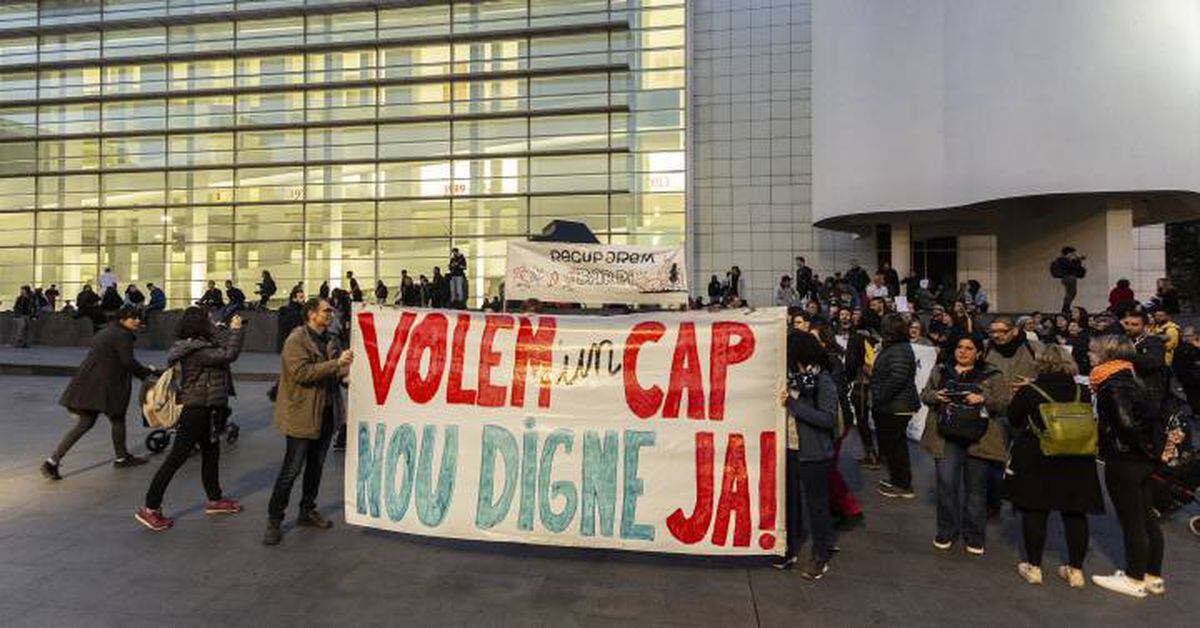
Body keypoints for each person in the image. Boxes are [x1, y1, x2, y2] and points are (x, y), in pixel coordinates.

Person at [135, 308, 245, 531]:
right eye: (209, 320)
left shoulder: (201, 344)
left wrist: (225, 330)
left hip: (208, 408)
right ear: (200, 324)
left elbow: (221, 347)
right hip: (196, 409)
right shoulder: (196, 350)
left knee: (211, 453)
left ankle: (215, 499)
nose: (213, 322)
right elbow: (228, 355)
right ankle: (150, 507)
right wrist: (236, 331)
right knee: (176, 458)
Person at [1003, 345, 1104, 587]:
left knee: (1035, 511)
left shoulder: (1030, 391)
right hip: (1078, 457)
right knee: (1075, 513)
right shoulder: (1082, 390)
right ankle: (1076, 570)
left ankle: (1034, 567)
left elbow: (1013, 418)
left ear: (1041, 363)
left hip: (1038, 456)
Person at [264, 298, 354, 546]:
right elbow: (302, 373)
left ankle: (307, 510)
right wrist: (336, 364)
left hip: (325, 413)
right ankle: (274, 519)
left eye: (331, 311)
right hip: (302, 414)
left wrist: (345, 374)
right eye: (326, 311)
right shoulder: (296, 340)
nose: (330, 314)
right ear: (311, 314)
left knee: (316, 466)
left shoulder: (329, 339)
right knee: (292, 468)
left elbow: (335, 373)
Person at [1087, 335, 1165, 598]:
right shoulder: (1132, 378)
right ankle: (1152, 574)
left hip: (1124, 459)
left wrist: (1135, 447)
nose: (1089, 354)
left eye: (1093, 350)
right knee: (1146, 517)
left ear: (1106, 354)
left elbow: (1126, 424)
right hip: (1141, 459)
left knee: (1132, 519)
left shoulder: (1112, 385)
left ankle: (1134, 577)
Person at [42, 306, 152, 480]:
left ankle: (52, 461)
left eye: (139, 317)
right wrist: (146, 373)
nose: (138, 321)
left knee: (85, 422)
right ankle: (122, 457)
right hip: (107, 385)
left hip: (88, 382)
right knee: (116, 417)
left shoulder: (107, 331)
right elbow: (128, 362)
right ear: (123, 319)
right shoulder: (122, 335)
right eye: (133, 318)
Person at [920, 336, 1007, 555]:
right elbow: (924, 394)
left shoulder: (993, 374)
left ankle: (974, 536)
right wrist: (936, 396)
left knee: (976, 491)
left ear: (979, 353)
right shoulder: (941, 370)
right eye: (959, 347)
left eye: (969, 348)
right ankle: (946, 531)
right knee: (946, 486)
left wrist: (982, 399)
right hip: (946, 437)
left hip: (980, 439)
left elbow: (1004, 403)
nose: (963, 351)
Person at [776, 332, 839, 580]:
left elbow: (827, 419)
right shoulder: (795, 378)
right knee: (791, 505)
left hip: (814, 453)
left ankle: (820, 556)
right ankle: (789, 549)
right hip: (792, 449)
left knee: (817, 506)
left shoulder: (823, 380)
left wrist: (793, 405)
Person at [870, 314, 921, 498]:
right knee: (895, 445)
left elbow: (897, 377)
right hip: (895, 404)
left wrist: (879, 395)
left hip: (896, 405)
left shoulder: (898, 349)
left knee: (895, 446)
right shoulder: (897, 347)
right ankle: (899, 480)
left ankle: (902, 484)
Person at [1051, 247, 1086, 313]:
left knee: (1072, 293)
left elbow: (1080, 271)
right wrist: (1076, 260)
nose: (1075, 255)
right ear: (1069, 253)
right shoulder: (1063, 260)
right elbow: (1072, 268)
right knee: (1070, 293)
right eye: (1073, 253)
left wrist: (1077, 260)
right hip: (1069, 278)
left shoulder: (1067, 260)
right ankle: (1065, 308)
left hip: (1070, 278)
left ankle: (1066, 307)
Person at [276, 287, 306, 353]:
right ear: (294, 299)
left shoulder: (300, 311)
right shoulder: (291, 312)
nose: (303, 299)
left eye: (303, 297)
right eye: (301, 297)